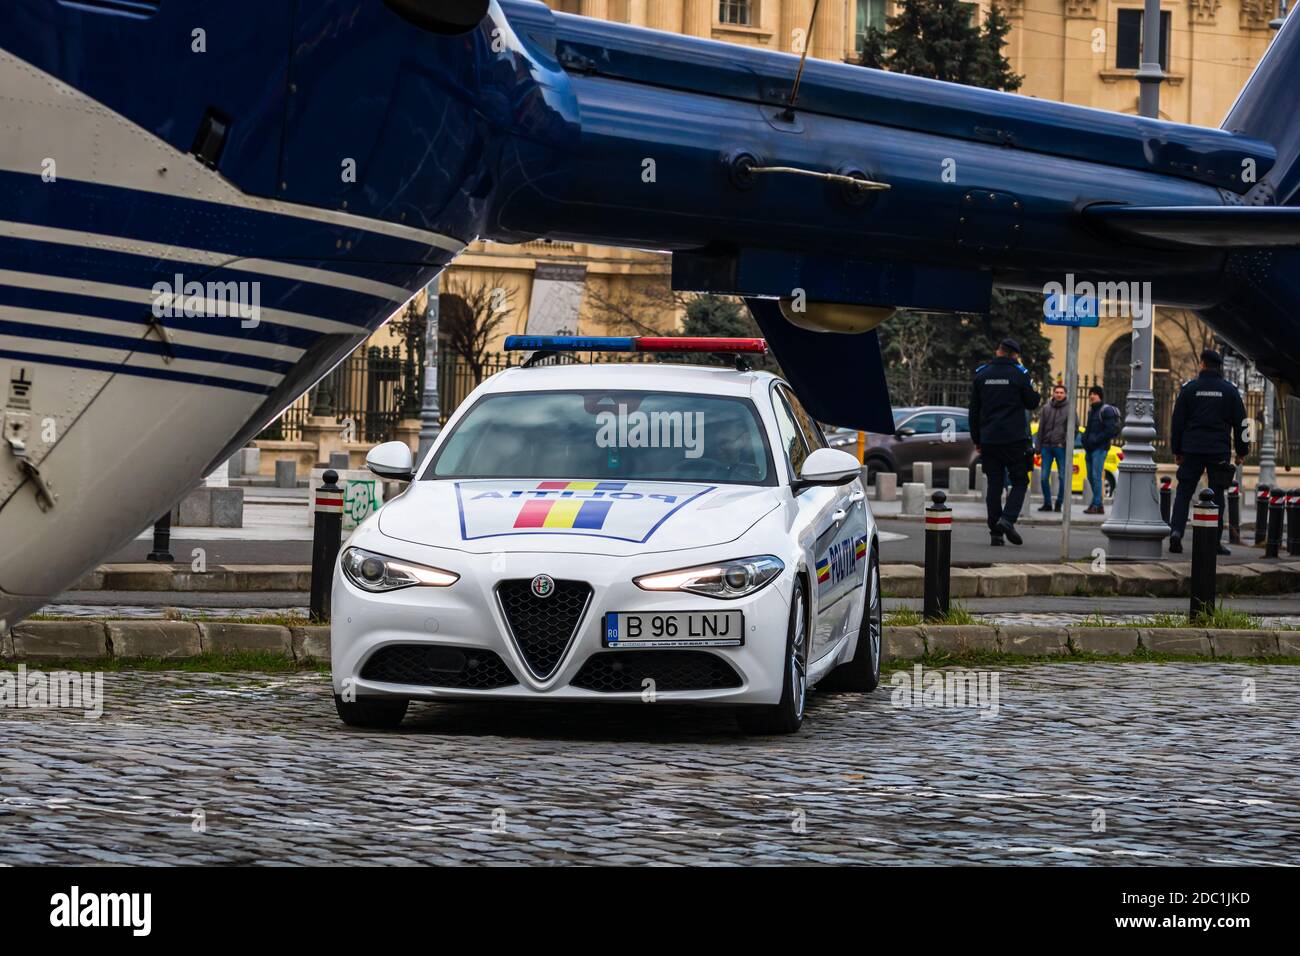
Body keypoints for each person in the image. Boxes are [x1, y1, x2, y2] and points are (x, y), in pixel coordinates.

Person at [1167, 348, 1248, 556]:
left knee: (1184, 491)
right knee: (1217, 494)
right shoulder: (1230, 391)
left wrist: (1177, 450)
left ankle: (1176, 532)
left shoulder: (1189, 389)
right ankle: (1214, 542)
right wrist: (1242, 451)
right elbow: (1243, 423)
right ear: (1219, 367)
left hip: (1192, 448)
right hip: (1218, 450)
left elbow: (1177, 423)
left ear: (1202, 364)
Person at [970, 337, 1041, 546]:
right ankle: (1007, 520)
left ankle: (996, 532)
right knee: (1020, 481)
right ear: (1015, 355)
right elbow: (1033, 402)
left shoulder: (982, 374)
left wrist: (977, 439)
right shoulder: (1020, 374)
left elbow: (974, 411)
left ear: (998, 351)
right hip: (1014, 439)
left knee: (994, 484)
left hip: (989, 439)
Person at [1080, 386, 1121, 514]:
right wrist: (1084, 439)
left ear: (1100, 396)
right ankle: (1098, 503)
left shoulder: (1105, 411)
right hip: (1090, 449)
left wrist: (1095, 439)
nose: (1092, 396)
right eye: (1090, 394)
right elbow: (1089, 428)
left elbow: (1110, 430)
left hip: (1100, 449)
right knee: (1091, 477)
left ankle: (1096, 504)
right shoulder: (1091, 411)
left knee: (1096, 476)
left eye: (1095, 394)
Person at [1035, 383, 1070, 512]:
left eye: (1061, 392)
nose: (1059, 394)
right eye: (1057, 392)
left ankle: (1059, 503)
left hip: (1061, 447)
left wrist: (1065, 442)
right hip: (1046, 447)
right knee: (1044, 477)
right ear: (1053, 393)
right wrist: (1038, 447)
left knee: (1062, 477)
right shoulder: (1046, 408)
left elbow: (1075, 428)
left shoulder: (1069, 409)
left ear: (1065, 394)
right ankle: (1047, 503)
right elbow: (1041, 428)